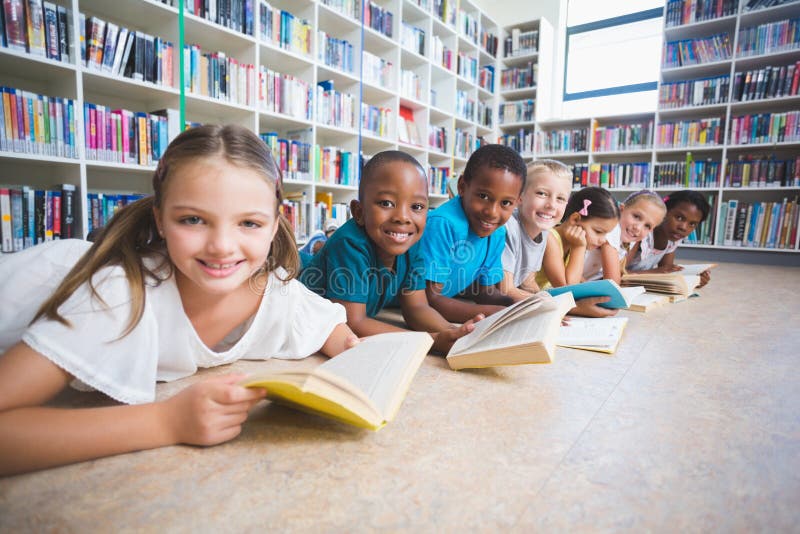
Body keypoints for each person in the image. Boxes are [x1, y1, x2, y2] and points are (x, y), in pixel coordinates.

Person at [0, 124, 357, 476]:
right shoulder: (118, 292)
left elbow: (331, 327)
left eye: (249, 223)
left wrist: (356, 351)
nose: (221, 246)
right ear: (159, 219)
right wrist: (166, 421)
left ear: (275, 226)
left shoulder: (278, 290)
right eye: (193, 219)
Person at [300, 150, 481, 353]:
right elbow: (354, 323)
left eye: (417, 206)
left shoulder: (412, 243)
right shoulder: (350, 243)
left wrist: (453, 332)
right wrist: (430, 341)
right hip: (296, 274)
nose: (402, 217)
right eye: (386, 203)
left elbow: (416, 308)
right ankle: (318, 243)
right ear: (359, 212)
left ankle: (320, 242)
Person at [419, 144, 525, 323]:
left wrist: (518, 305)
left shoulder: (497, 233)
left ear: (517, 203)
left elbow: (485, 291)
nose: (492, 212)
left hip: (438, 307)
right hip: (397, 308)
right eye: (483, 196)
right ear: (462, 186)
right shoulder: (443, 224)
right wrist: (495, 313)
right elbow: (430, 298)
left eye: (506, 203)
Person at [500, 159, 572, 301]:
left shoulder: (543, 232)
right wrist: (550, 304)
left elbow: (527, 284)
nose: (551, 205)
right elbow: (505, 289)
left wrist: (551, 300)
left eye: (560, 198)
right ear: (520, 196)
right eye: (542, 193)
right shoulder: (508, 227)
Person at [536, 186, 619, 290]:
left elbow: (578, 279)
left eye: (606, 234)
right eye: (598, 231)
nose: (603, 240)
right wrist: (579, 248)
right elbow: (567, 287)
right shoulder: (550, 238)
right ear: (575, 219)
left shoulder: (573, 242)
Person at [626, 189, 712, 287]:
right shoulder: (640, 235)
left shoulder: (672, 240)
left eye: (692, 224)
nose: (683, 227)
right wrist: (654, 273)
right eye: (679, 218)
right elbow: (617, 274)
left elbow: (665, 272)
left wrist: (693, 280)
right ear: (664, 211)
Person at [582, 189, 666, 284]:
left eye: (647, 226)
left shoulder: (629, 238)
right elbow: (612, 281)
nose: (638, 228)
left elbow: (616, 272)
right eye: (636, 216)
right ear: (621, 210)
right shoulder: (612, 229)